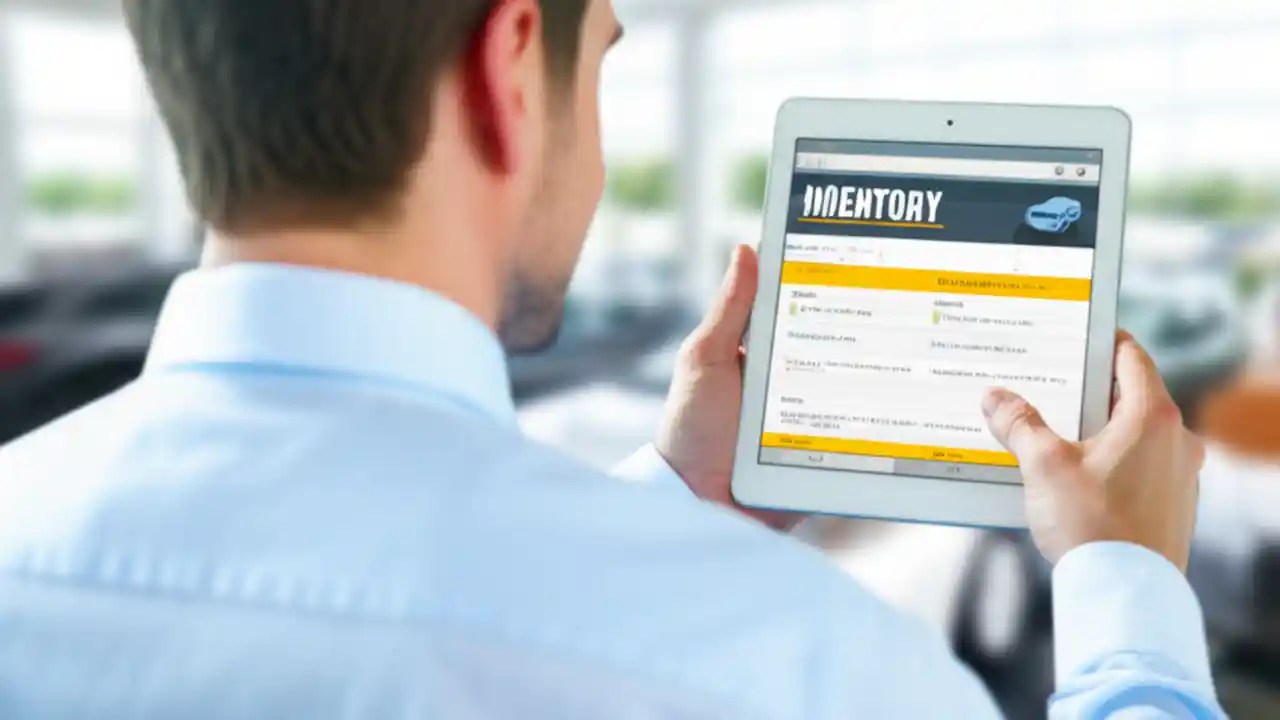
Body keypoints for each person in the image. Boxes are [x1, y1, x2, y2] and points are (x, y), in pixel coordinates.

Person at [0, 0, 1223, 717]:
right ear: (508, 70)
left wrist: (676, 505)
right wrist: (1127, 601)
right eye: (600, 62)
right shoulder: (816, 673)